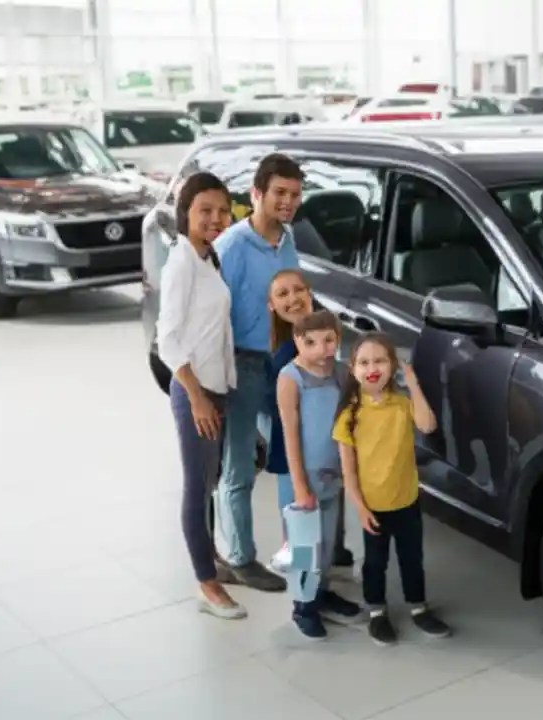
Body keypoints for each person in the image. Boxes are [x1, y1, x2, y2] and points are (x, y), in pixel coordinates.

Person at [212, 153, 306, 592]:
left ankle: (300, 547)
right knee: (239, 467)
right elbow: (214, 315)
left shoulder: (287, 240)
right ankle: (239, 558)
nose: (288, 202)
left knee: (291, 457)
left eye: (294, 194)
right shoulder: (231, 246)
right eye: (280, 194)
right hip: (243, 363)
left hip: (282, 358)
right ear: (257, 195)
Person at [155, 171, 246, 619]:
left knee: (209, 482)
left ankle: (211, 559)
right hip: (197, 390)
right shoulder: (181, 264)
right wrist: (196, 396)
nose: (215, 218)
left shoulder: (208, 257)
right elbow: (167, 340)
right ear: (185, 213)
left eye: (221, 210)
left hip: (217, 387)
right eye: (204, 210)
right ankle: (206, 585)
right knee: (196, 487)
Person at [333, 333, 453, 645]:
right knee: (375, 563)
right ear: (352, 368)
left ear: (392, 366)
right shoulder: (349, 417)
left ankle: (418, 607)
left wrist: (412, 382)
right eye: (364, 362)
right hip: (372, 506)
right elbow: (348, 470)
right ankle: (376, 611)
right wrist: (359, 506)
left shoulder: (402, 405)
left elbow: (427, 425)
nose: (372, 368)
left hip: (407, 500)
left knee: (412, 558)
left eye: (380, 361)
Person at [276, 310, 363, 638]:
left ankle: (320, 591)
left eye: (329, 340)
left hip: (333, 473)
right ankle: (303, 606)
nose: (322, 349)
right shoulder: (290, 378)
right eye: (311, 342)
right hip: (306, 476)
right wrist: (299, 483)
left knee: (326, 542)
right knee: (304, 545)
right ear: (297, 342)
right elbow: (290, 433)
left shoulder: (341, 373)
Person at [264, 268, 354, 575]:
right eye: (282, 294)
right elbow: (285, 422)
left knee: (325, 531)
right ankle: (305, 601)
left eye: (298, 290)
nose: (293, 298)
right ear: (271, 305)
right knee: (302, 533)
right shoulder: (286, 360)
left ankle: (320, 588)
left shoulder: (329, 355)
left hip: (326, 457)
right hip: (296, 456)